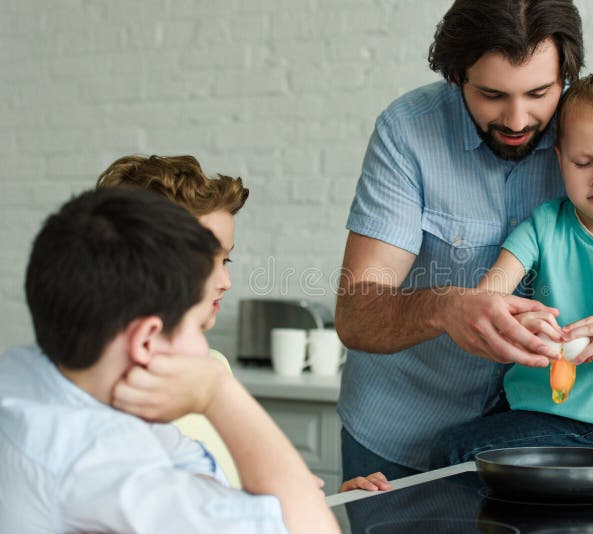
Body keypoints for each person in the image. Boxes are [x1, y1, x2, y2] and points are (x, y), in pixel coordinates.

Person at [335, 0, 593, 481]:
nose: (516, 119)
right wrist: (447, 307)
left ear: (566, 76)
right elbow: (357, 313)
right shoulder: (408, 132)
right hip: (400, 437)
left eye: (538, 93)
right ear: (457, 77)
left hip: (548, 434)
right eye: (491, 95)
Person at [0, 188, 339, 533]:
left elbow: (190, 462)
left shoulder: (29, 373)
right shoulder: (101, 462)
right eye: (195, 326)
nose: (201, 347)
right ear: (146, 340)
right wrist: (217, 390)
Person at [428, 73, 593, 467]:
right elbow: (489, 295)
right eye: (582, 162)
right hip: (520, 404)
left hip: (590, 423)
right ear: (560, 159)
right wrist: (515, 320)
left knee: (456, 452)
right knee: (458, 455)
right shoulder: (545, 224)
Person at [97, 154, 248, 488]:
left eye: (227, 259)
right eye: (209, 261)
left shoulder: (214, 366)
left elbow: (235, 489)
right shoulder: (104, 395)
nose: (226, 281)